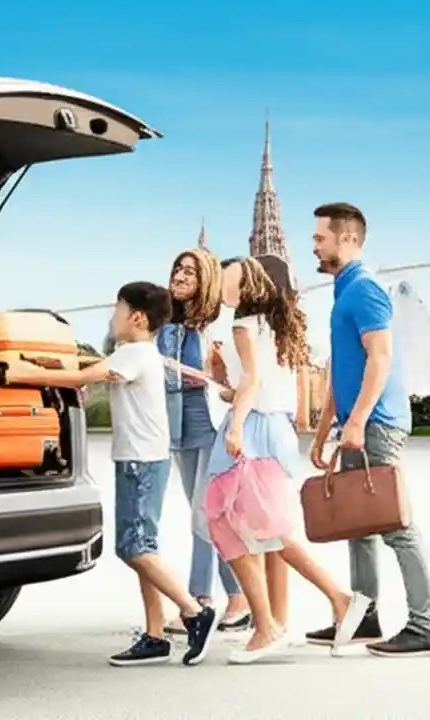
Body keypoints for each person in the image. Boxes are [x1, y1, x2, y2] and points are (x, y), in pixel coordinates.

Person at [6, 281, 220, 667]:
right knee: (144, 549)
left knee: (134, 548)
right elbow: (87, 367)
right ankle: (155, 636)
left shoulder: (136, 353)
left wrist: (23, 374)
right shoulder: (133, 354)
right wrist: (49, 365)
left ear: (136, 317)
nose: (112, 317)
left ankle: (193, 611)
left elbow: (81, 378)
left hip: (141, 464)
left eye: (117, 310)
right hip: (139, 461)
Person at [303, 202, 430, 657]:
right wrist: (323, 431)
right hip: (358, 423)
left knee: (392, 523)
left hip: (376, 424)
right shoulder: (343, 291)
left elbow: (381, 357)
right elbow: (342, 366)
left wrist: (355, 422)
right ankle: (368, 614)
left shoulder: (366, 290)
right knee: (361, 522)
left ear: (348, 239)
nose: (314, 245)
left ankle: (424, 624)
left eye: (321, 238)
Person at [199, 255, 370, 665]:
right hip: (275, 430)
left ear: (247, 284)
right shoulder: (276, 328)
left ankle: (278, 621)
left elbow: (252, 383)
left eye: (228, 277)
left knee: (233, 522)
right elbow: (257, 385)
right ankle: (314, 608)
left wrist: (236, 424)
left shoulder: (243, 324)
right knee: (255, 526)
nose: (221, 282)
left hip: (253, 429)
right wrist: (228, 386)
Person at [155, 249, 251, 634]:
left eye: (190, 271)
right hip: (176, 429)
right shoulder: (163, 324)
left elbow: (235, 383)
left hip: (209, 424)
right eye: (177, 268)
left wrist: (202, 376)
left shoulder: (218, 325)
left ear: (206, 279)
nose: (180, 275)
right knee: (207, 517)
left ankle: (199, 601)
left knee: (204, 515)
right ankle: (238, 597)